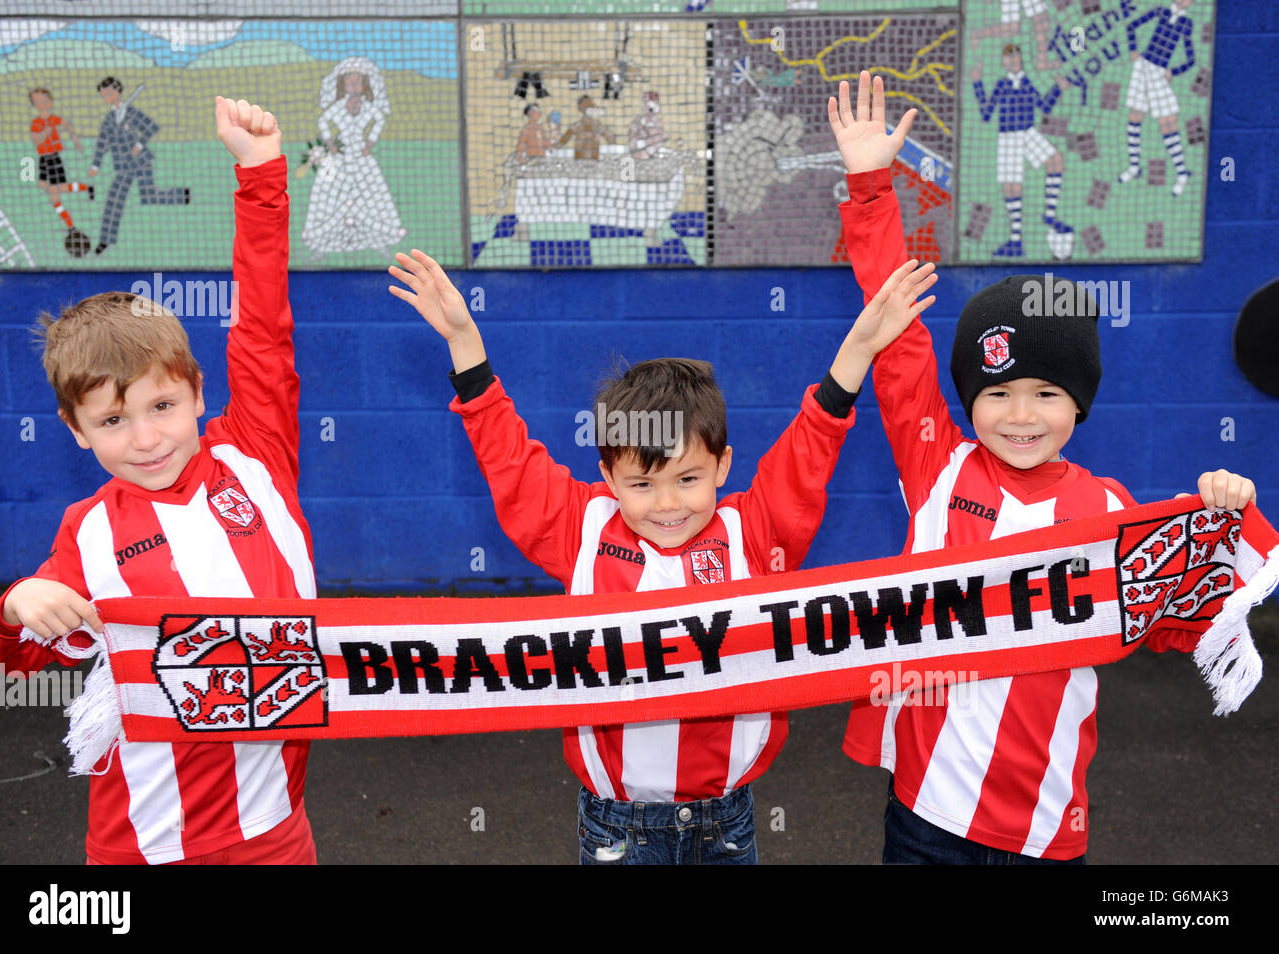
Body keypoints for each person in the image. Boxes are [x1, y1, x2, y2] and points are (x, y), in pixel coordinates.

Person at [828, 71, 1257, 864]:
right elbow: (897, 336)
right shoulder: (937, 468)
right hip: (924, 815)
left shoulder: (1108, 511)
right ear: (968, 400)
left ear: (1080, 403)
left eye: (1047, 392)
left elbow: (1186, 618)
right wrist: (868, 186)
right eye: (997, 393)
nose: (1021, 415)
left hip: (1045, 829)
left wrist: (1221, 514)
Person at [387, 246, 936, 864]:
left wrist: (856, 354)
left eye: (689, 479)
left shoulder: (752, 533)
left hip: (726, 823)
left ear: (725, 466)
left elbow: (812, 444)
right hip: (617, 829)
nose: (667, 504)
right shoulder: (583, 528)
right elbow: (509, 460)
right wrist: (467, 347)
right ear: (607, 476)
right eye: (641, 484)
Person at [0, 98, 319, 865]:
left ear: (200, 393)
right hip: (141, 848)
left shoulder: (254, 457)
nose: (144, 438)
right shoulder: (88, 529)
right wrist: (15, 605)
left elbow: (264, 324)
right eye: (111, 422)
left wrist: (261, 173)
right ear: (76, 433)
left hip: (275, 834)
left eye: (162, 406)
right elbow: (20, 660)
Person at [970, 45, 1071, 258]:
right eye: (1009, 59)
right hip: (1008, 137)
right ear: (1004, 63)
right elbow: (987, 113)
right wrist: (977, 82)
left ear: (1020, 60)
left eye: (1016, 58)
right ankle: (1016, 240)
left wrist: (1057, 88)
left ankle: (1050, 215)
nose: (1013, 62)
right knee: (1011, 188)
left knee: (1056, 160)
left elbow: (1043, 106)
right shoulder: (1001, 85)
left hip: (1027, 132)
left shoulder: (1026, 83)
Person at [301, 57, 406, 256]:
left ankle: (378, 235)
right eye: (350, 82)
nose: (353, 85)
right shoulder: (339, 106)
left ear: (363, 84)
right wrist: (331, 142)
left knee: (371, 188)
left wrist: (370, 143)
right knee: (328, 188)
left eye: (357, 81)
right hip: (339, 154)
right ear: (344, 84)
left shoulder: (368, 106)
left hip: (360, 153)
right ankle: (323, 236)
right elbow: (324, 120)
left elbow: (379, 120)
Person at [88, 76, 189, 256]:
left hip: (141, 162)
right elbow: (103, 143)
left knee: (148, 197)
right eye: (103, 95)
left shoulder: (132, 113)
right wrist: (96, 165)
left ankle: (182, 195)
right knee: (115, 200)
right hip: (123, 165)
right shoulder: (110, 119)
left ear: (117, 92)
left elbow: (151, 127)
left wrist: (139, 144)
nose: (105, 97)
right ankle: (105, 240)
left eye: (108, 93)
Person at [1117, 0, 1196, 196]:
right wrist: (1134, 49)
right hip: (1142, 66)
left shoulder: (1186, 24)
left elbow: (1191, 58)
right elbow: (1132, 26)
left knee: (1168, 122)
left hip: (1159, 73)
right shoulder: (1160, 11)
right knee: (1134, 117)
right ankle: (1134, 167)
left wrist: (1173, 72)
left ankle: (1181, 173)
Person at [28, 88, 93, 232]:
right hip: (43, 159)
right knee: (43, 184)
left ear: (50, 101)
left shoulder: (52, 119)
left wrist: (75, 140)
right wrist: (45, 133)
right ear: (34, 104)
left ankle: (71, 225)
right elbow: (36, 140)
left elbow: (67, 125)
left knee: (54, 193)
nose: (42, 104)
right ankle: (85, 189)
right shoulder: (36, 123)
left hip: (53, 159)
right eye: (38, 101)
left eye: (45, 100)